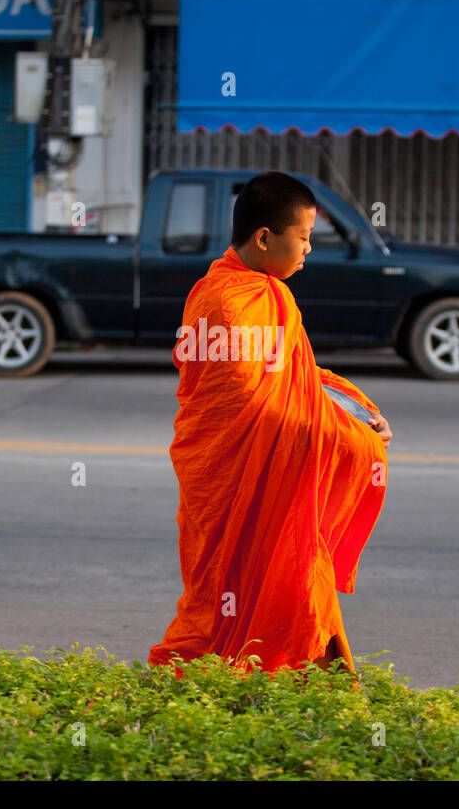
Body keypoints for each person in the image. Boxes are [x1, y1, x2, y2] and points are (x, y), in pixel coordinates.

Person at [149, 171, 391, 675]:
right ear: (265, 238)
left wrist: (357, 410)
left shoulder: (250, 291)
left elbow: (297, 375)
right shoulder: (231, 301)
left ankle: (319, 696)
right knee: (232, 596)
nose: (308, 251)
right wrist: (345, 436)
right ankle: (294, 700)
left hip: (271, 480)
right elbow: (249, 403)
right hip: (228, 480)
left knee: (299, 578)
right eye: (303, 238)